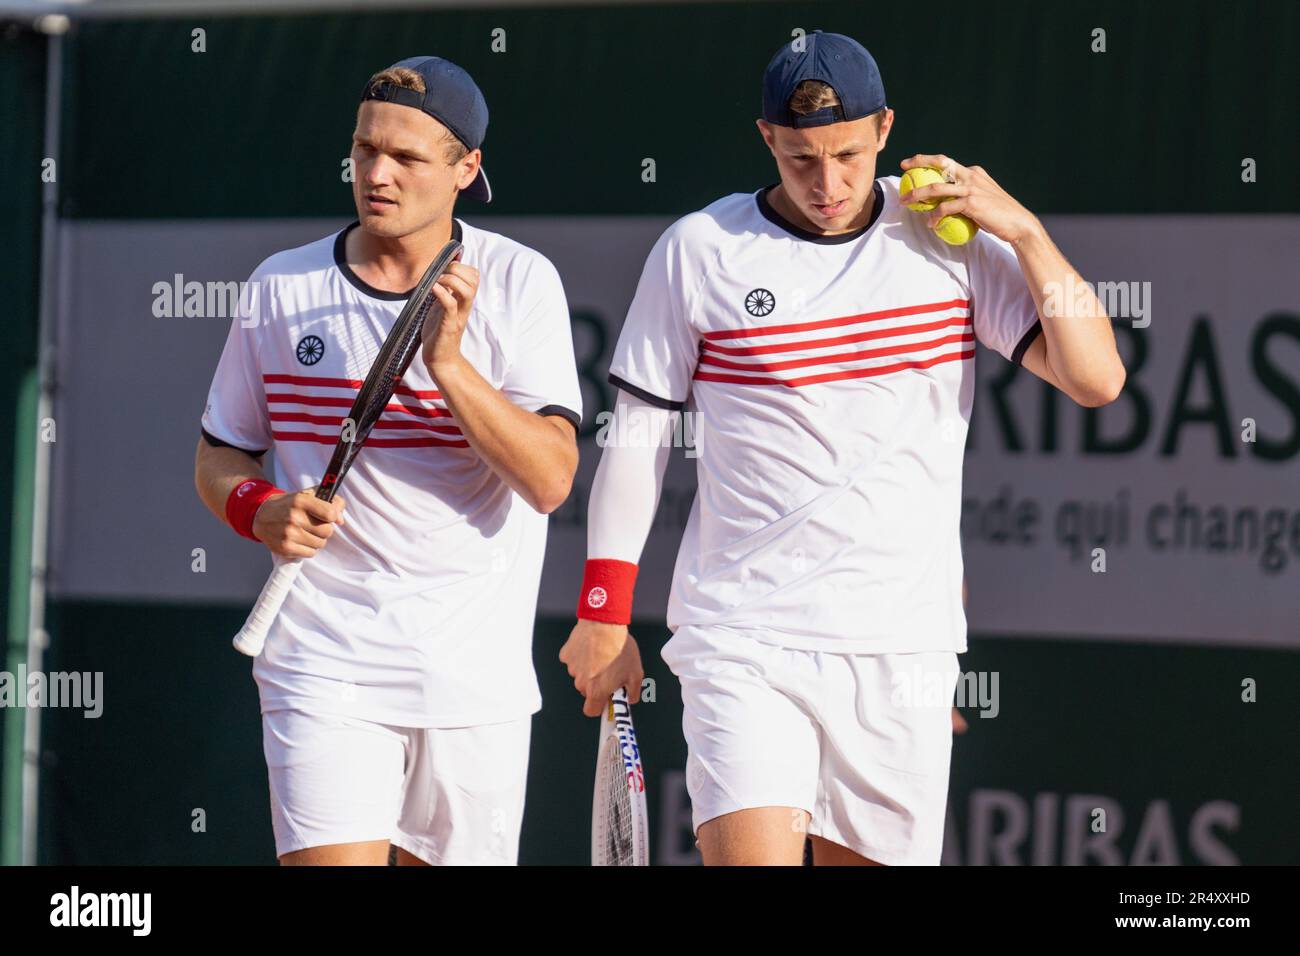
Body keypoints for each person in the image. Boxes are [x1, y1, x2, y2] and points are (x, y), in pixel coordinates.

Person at [560, 32, 1123, 865]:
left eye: (848, 156)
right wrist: (603, 615)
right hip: (742, 639)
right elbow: (637, 441)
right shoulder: (699, 251)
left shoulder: (951, 239)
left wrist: (1028, 233)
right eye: (801, 159)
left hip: (904, 652)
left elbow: (1097, 378)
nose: (827, 183)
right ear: (766, 141)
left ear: (886, 129)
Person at [195, 56, 582, 865]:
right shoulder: (279, 285)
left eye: (407, 157)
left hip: (473, 684)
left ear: (464, 169)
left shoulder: (521, 283)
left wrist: (450, 365)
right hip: (321, 664)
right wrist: (257, 508)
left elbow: (550, 478)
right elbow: (220, 451)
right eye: (366, 149)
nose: (377, 173)